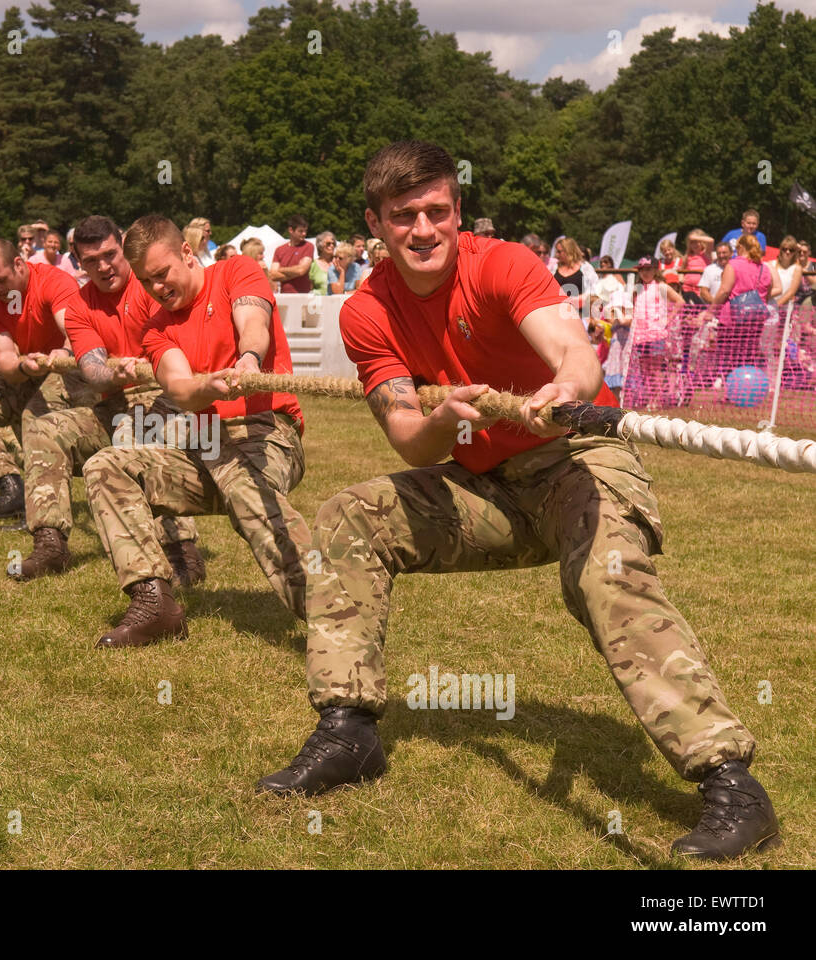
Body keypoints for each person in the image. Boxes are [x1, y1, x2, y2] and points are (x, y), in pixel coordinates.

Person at [257, 140, 776, 861]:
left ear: (457, 211)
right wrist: (443, 420)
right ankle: (349, 732)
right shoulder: (367, 310)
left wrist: (563, 390)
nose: (424, 229)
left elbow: (575, 354)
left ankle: (731, 783)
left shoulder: (501, 264)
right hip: (488, 490)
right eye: (404, 215)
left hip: (576, 460)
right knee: (352, 513)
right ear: (375, 223)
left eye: (438, 211)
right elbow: (409, 438)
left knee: (606, 576)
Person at [81, 214, 311, 648]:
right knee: (106, 466)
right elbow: (180, 388)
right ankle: (155, 604)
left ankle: (331, 610)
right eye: (147, 283)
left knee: (243, 483)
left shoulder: (236, 270)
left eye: (162, 274)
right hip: (203, 445)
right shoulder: (157, 328)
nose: (157, 289)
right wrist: (208, 385)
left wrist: (247, 359)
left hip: (266, 434)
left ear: (187, 252)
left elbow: (253, 321)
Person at [11, 215, 204, 585]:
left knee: (141, 432)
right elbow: (91, 366)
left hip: (169, 397)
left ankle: (182, 550)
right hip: (114, 403)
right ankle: (50, 542)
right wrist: (112, 374)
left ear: (123, 246)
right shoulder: (81, 306)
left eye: (110, 254)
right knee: (43, 427)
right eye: (90, 260)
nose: (103, 266)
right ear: (78, 261)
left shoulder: (153, 285)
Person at [0, 239, 84, 520]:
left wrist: (63, 351)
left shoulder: (55, 282)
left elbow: (74, 332)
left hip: (68, 370)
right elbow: (6, 361)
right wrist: (24, 366)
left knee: (34, 418)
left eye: (1, 280)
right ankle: (11, 487)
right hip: (30, 370)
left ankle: (45, 512)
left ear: (19, 264)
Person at [627, 257, 685, 408]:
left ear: (655, 270)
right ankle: (649, 397)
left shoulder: (661, 286)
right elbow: (634, 308)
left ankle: (656, 400)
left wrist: (667, 320)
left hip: (656, 334)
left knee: (656, 368)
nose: (644, 273)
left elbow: (680, 301)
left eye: (648, 269)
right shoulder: (636, 289)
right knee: (645, 368)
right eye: (641, 270)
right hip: (640, 335)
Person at [710, 234, 772, 372]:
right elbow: (767, 294)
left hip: (732, 318)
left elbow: (724, 291)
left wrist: (711, 311)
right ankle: (745, 384)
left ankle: (727, 381)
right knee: (748, 356)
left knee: (727, 354)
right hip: (755, 320)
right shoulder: (765, 268)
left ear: (741, 247)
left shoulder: (733, 265)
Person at [552, 237, 596, 329]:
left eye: (559, 252)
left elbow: (593, 291)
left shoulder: (585, 268)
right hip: (557, 315)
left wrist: (573, 300)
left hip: (579, 315)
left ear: (569, 251)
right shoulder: (554, 268)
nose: (557, 255)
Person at [269, 215, 313, 293]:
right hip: (285, 296)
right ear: (291, 230)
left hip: (303, 295)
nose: (304, 234)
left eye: (305, 231)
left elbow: (301, 270)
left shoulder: (308, 246)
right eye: (301, 231)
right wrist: (295, 271)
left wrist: (281, 269)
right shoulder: (279, 250)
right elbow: (272, 275)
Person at [679, 230, 713, 305]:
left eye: (697, 241)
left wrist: (695, 237)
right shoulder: (688, 256)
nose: (694, 245)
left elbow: (711, 241)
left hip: (701, 290)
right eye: (692, 242)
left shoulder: (706, 254)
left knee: (700, 308)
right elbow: (681, 270)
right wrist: (681, 277)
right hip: (687, 288)